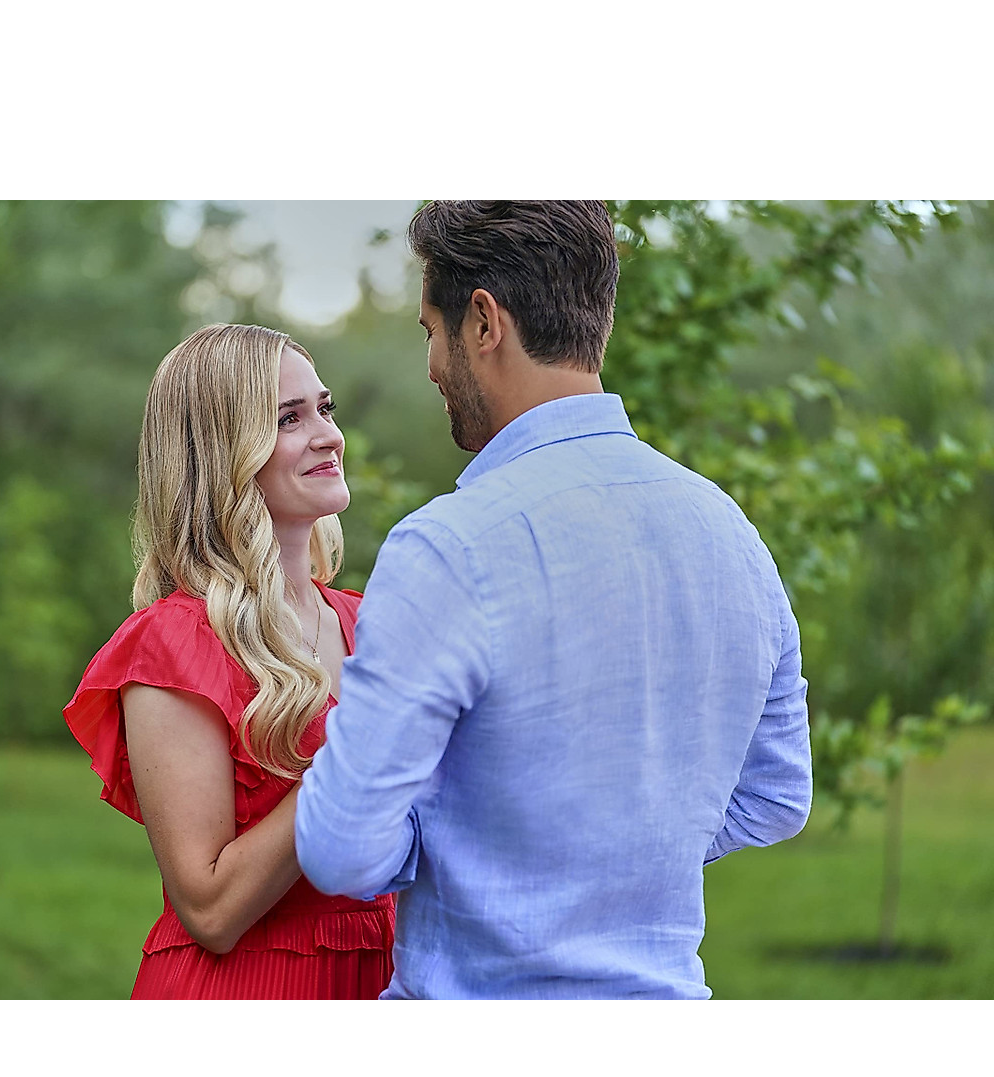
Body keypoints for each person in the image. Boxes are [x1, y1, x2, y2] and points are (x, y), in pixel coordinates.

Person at [294, 201, 813, 999]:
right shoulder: (730, 532)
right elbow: (778, 797)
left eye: (430, 331)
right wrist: (630, 853)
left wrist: (471, 854)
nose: (431, 365)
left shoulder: (447, 547)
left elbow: (339, 850)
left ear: (483, 322)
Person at [64, 323, 395, 999]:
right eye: (289, 419)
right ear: (221, 454)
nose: (329, 436)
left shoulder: (376, 624)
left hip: (387, 977)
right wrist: (352, 759)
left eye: (324, 409)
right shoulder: (174, 644)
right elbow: (210, 910)